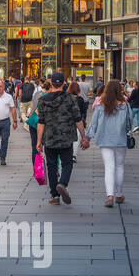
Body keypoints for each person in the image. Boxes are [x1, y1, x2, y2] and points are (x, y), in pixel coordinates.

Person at [35, 72, 88, 205]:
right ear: (64, 83)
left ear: (51, 83)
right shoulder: (70, 98)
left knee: (52, 166)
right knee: (67, 163)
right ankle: (63, 183)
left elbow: (40, 123)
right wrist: (84, 136)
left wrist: (38, 141)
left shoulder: (42, 100)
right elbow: (78, 119)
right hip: (66, 137)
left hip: (50, 138)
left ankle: (54, 195)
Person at [87, 80, 135, 208]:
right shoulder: (125, 105)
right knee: (119, 166)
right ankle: (119, 194)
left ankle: (110, 196)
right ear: (119, 90)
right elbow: (130, 121)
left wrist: (87, 138)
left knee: (109, 167)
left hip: (105, 139)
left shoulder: (101, 105)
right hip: (120, 139)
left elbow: (94, 124)